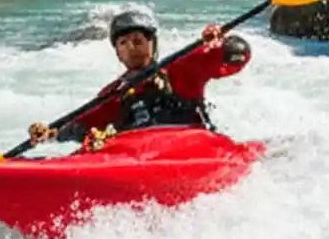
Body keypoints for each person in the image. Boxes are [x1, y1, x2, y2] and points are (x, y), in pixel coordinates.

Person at [28, 8, 252, 147]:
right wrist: (51, 133)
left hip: (192, 148)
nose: (131, 48)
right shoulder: (116, 92)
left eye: (138, 41)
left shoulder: (179, 69)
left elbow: (236, 56)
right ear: (117, 52)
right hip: (143, 156)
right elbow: (82, 124)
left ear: (152, 45)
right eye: (123, 43)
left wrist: (219, 44)